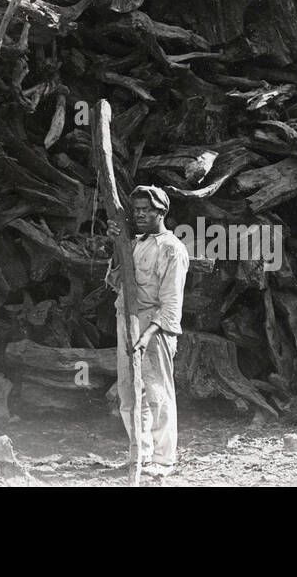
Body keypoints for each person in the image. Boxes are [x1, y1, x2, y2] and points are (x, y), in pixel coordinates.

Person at [106, 184, 190, 476]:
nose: (140, 214)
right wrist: (118, 248)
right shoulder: (133, 243)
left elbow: (170, 304)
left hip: (155, 328)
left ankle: (163, 460)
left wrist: (147, 335)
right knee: (129, 392)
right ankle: (139, 454)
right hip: (126, 320)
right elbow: (115, 281)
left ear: (161, 212)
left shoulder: (172, 249)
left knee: (157, 394)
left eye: (146, 210)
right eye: (137, 210)